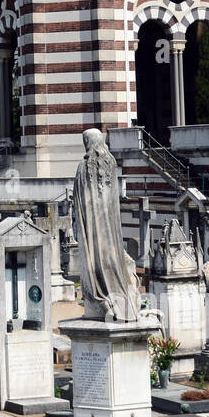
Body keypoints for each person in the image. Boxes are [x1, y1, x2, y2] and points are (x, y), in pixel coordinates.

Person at [72, 129, 139, 322]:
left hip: (93, 229)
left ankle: (100, 297)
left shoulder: (83, 167)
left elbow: (79, 198)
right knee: (112, 258)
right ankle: (119, 297)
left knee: (95, 261)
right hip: (111, 227)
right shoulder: (111, 163)